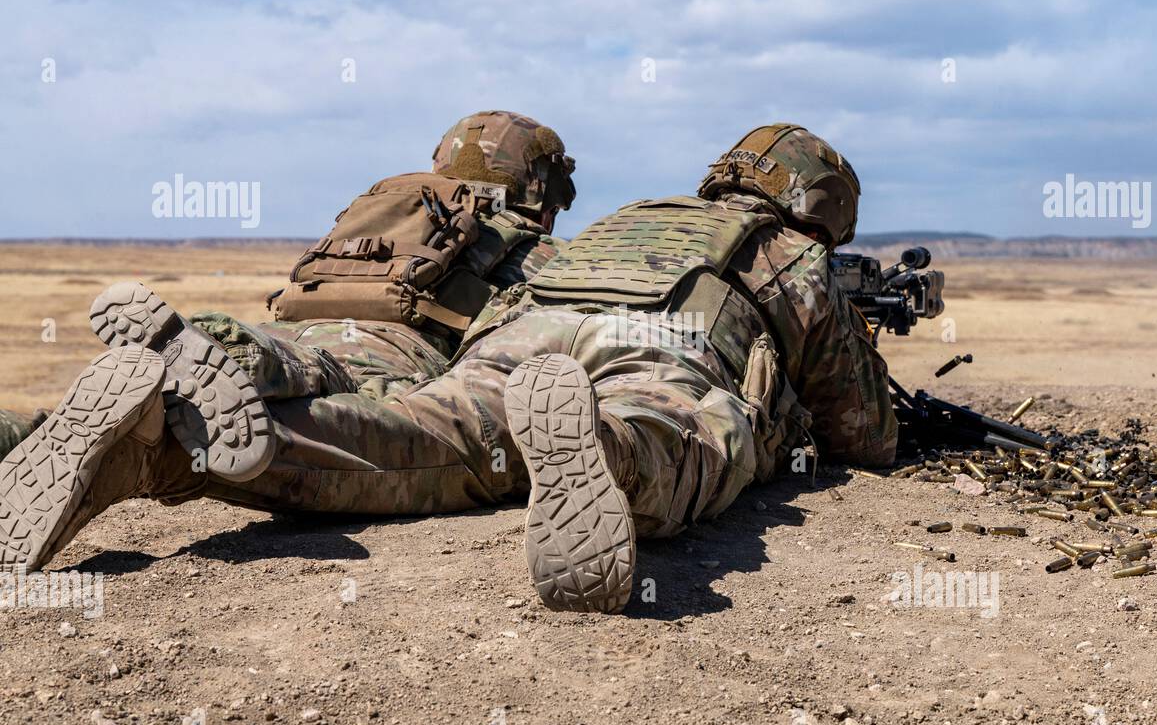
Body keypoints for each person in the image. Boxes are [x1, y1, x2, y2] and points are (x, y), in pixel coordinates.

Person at [0, 123, 896, 617]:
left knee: (415, 439)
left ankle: (164, 446)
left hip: (516, 343)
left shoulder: (625, 217)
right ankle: (609, 449)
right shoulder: (792, 256)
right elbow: (860, 429)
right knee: (692, 431)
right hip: (656, 350)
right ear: (821, 206)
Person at [0, 110, 574, 462]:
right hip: (397, 350)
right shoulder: (530, 247)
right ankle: (238, 368)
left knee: (248, 374)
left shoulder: (404, 210)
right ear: (537, 186)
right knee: (331, 407)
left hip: (300, 323)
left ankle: (24, 432)